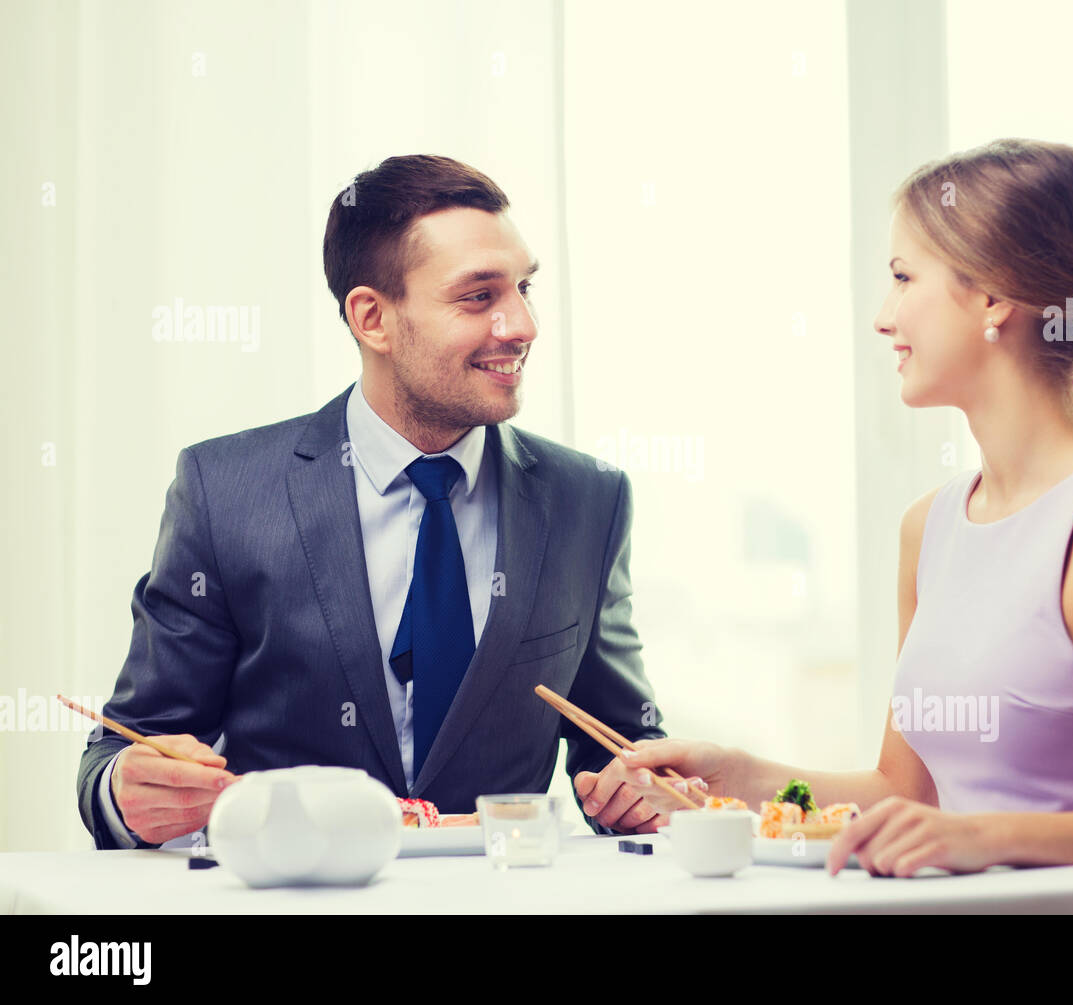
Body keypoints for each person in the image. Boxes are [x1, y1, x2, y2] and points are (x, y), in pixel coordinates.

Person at [611, 138, 1073, 884]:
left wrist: (980, 835)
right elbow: (905, 794)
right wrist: (736, 775)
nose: (883, 315)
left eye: (904, 277)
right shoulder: (928, 527)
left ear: (995, 296)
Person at [76, 154, 668, 849]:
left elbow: (621, 744)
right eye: (479, 296)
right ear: (373, 318)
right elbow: (125, 751)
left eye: (524, 287)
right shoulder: (225, 490)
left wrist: (635, 789)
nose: (523, 324)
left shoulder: (587, 500)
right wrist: (127, 791)